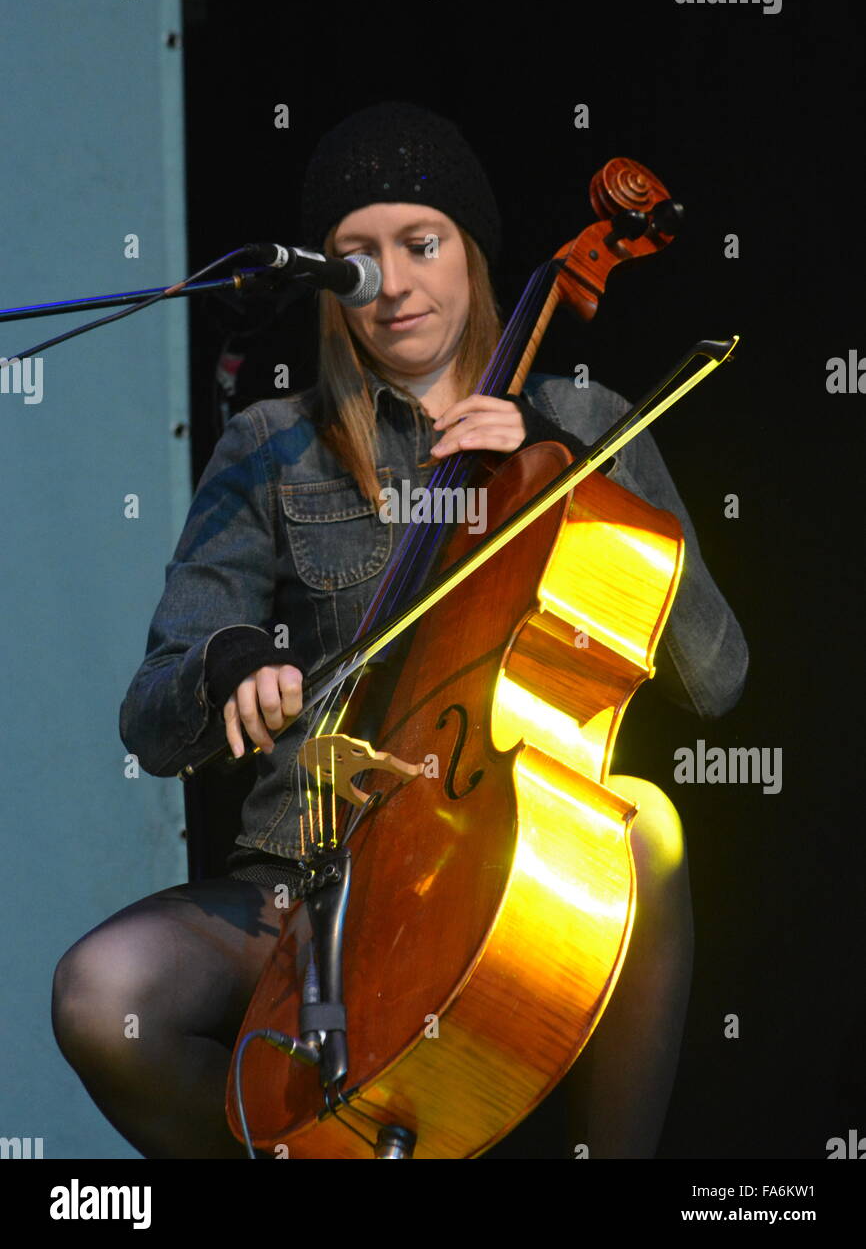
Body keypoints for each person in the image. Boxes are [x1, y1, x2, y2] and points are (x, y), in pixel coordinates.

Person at [51, 101, 748, 1159]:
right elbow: (151, 717)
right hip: (299, 881)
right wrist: (227, 661)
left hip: (490, 857)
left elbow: (717, 675)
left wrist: (559, 457)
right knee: (104, 992)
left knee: (641, 824)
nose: (392, 282)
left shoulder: (588, 419)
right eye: (355, 257)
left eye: (419, 245)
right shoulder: (272, 445)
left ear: (470, 252)